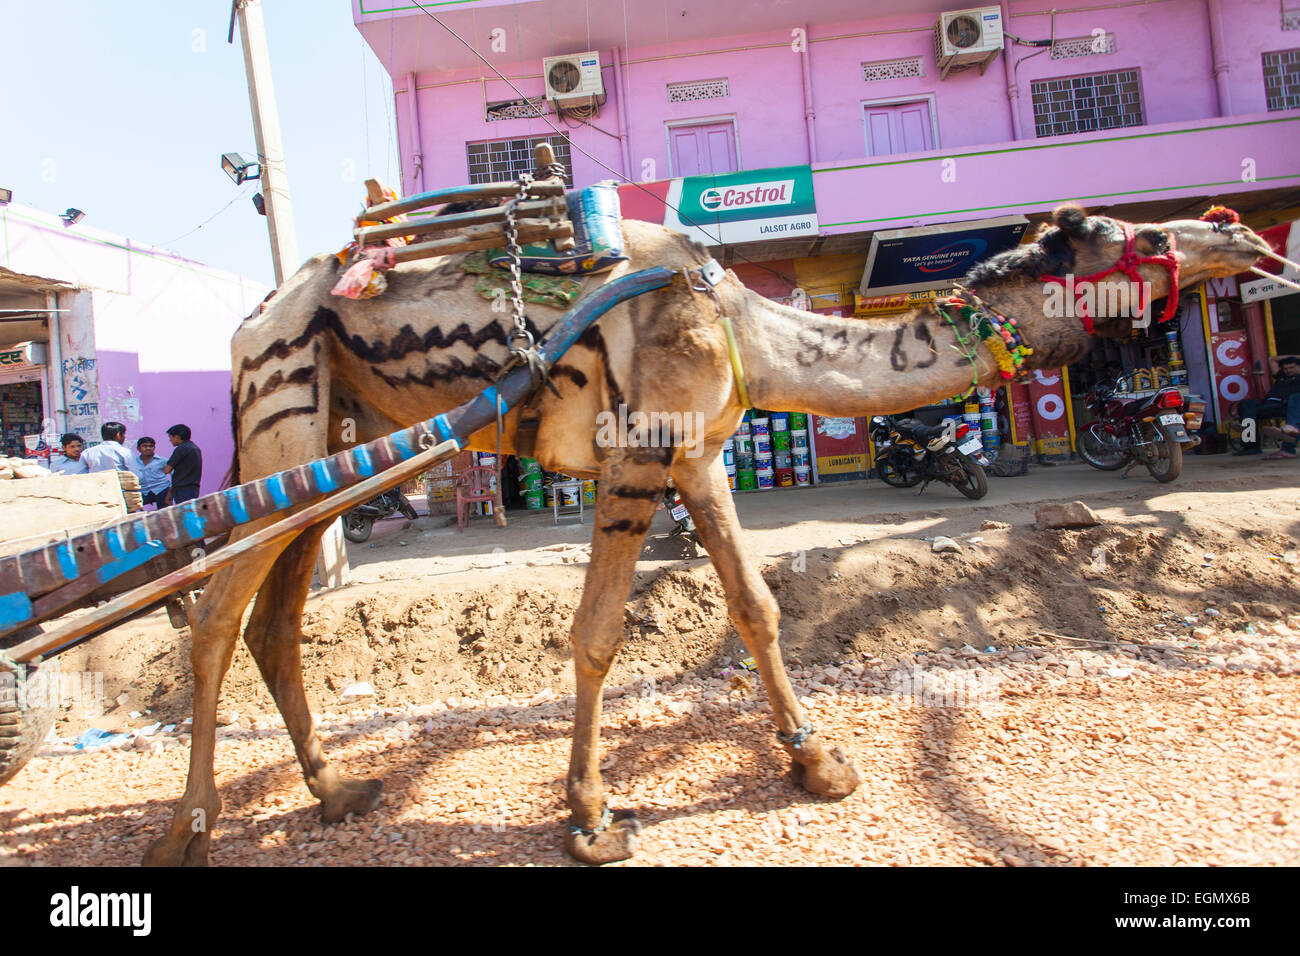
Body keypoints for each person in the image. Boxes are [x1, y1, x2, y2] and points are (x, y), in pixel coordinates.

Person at [1235, 355, 1300, 460]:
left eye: (1292, 367)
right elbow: (1272, 359)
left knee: (1296, 397)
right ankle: (1250, 446)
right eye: (1286, 369)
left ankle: (1288, 443)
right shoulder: (1281, 375)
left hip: (1289, 406)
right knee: (1247, 405)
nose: (1288, 371)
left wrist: (1296, 357)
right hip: (1270, 405)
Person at [163, 424, 202, 504]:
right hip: (193, 487)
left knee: (183, 513)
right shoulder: (195, 448)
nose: (170, 440)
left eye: (171, 438)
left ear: (177, 437)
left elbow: (167, 470)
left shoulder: (180, 449)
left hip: (182, 489)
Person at [132, 436, 172, 509]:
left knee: (164, 514)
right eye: (145, 446)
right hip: (143, 491)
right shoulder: (134, 462)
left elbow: (174, 474)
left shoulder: (162, 460)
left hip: (161, 489)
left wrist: (170, 492)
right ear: (138, 448)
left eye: (151, 446)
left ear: (154, 448)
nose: (148, 448)